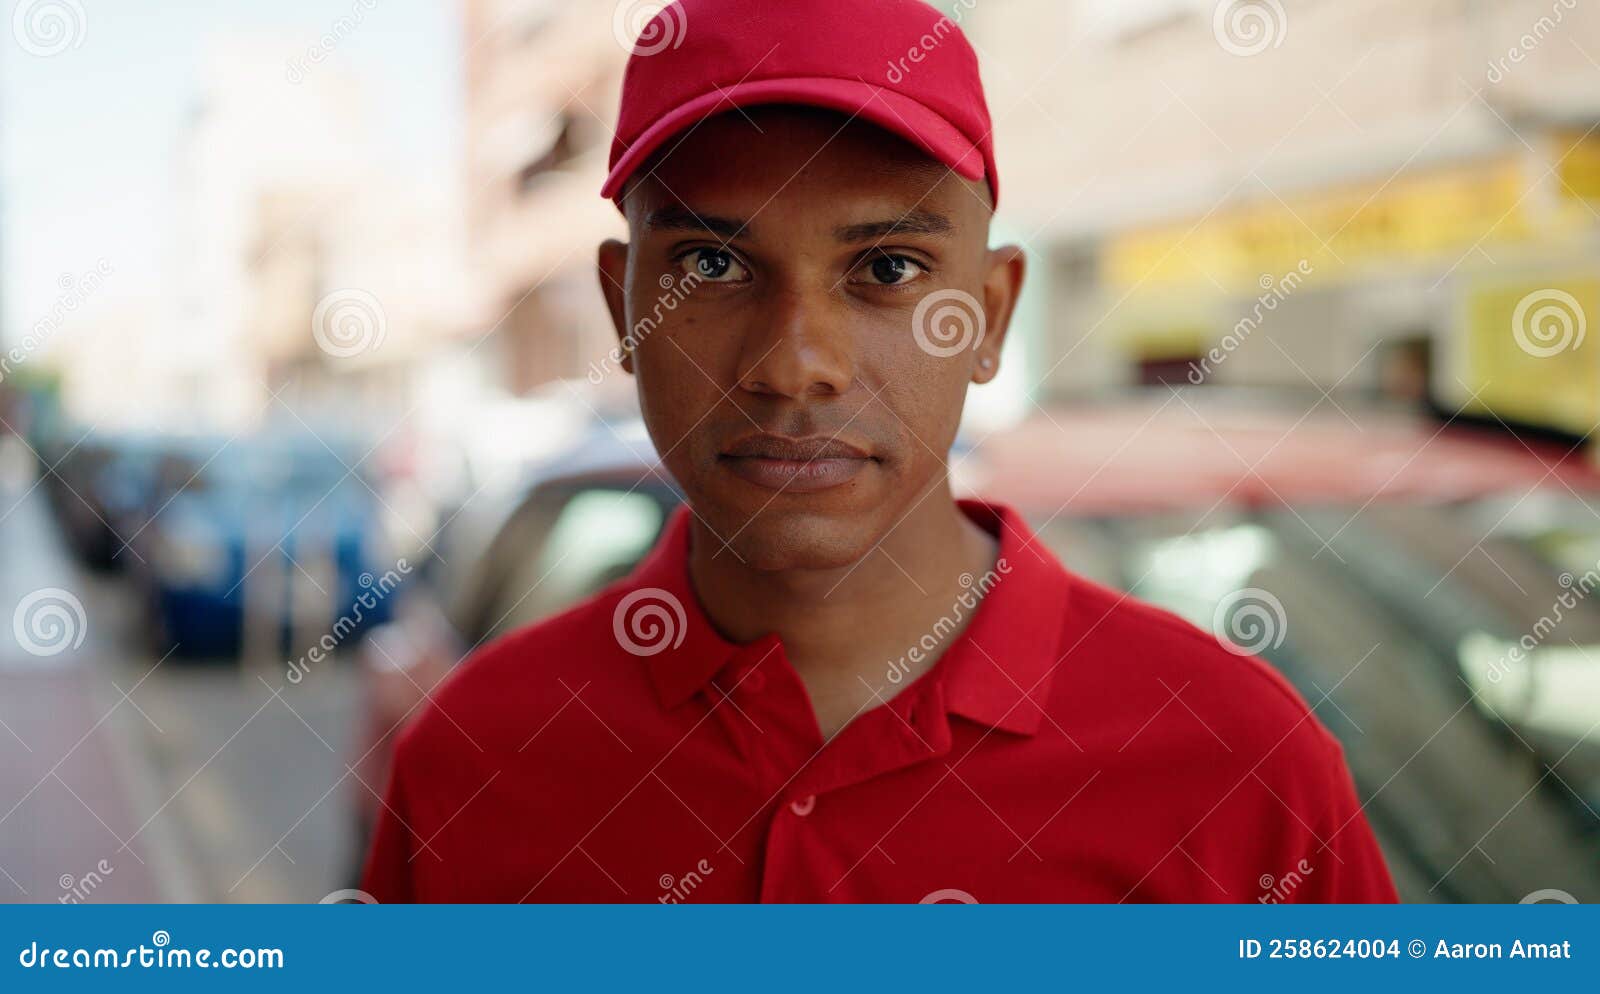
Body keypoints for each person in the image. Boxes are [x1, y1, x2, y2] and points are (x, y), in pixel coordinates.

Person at [361, 0, 1398, 903]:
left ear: (989, 316)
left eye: (887, 267)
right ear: (621, 309)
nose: (794, 362)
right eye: (713, 264)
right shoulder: (477, 756)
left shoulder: (1238, 763)